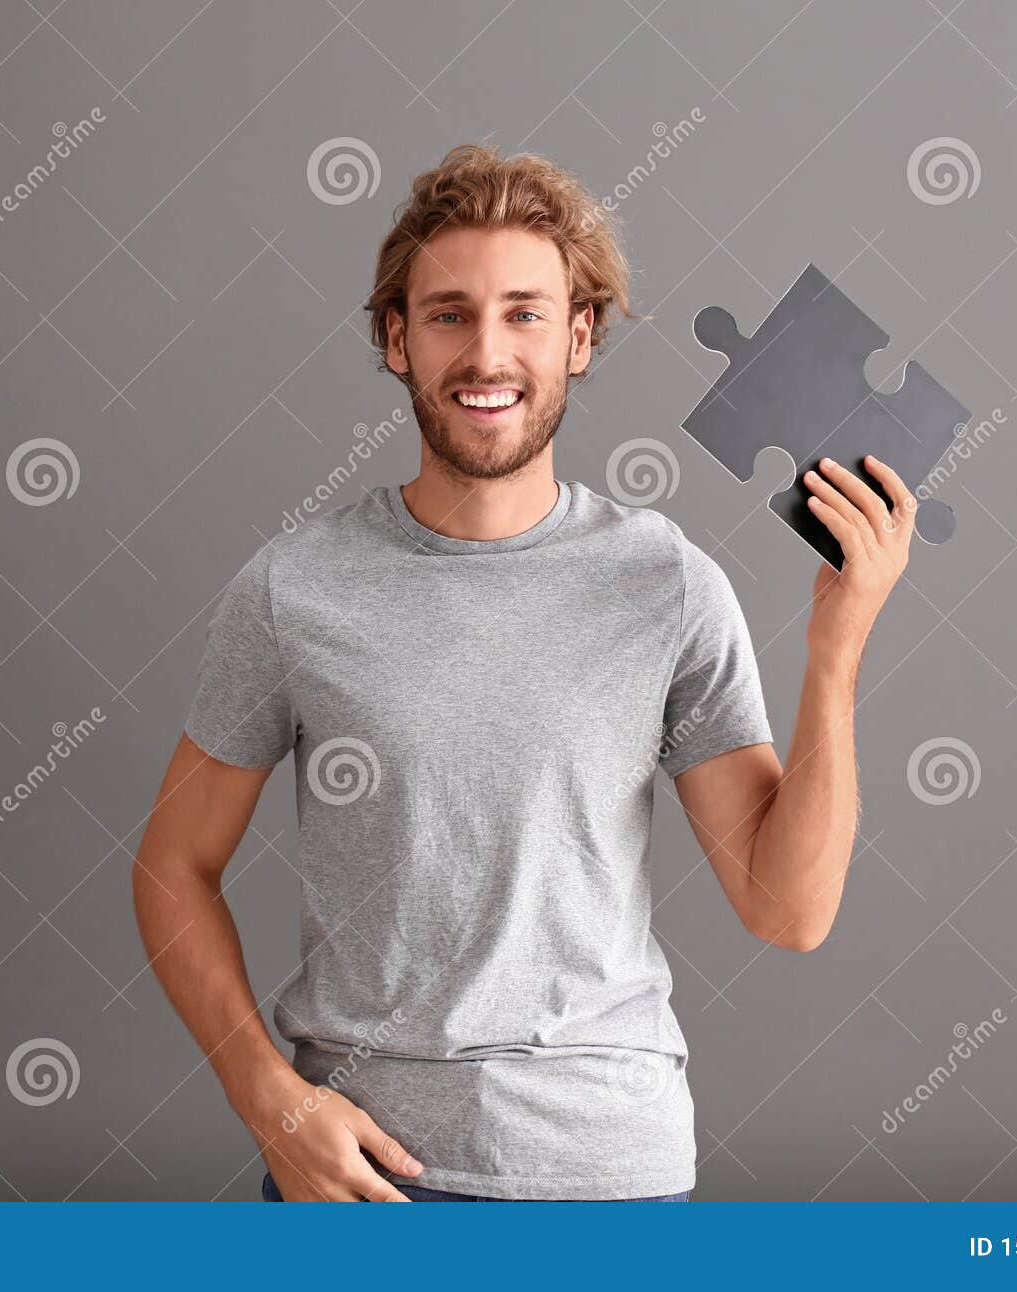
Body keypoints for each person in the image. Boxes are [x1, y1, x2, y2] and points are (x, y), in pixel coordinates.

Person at [131, 143, 919, 1201]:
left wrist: (836, 645)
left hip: (611, 1178)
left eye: (526, 312)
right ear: (397, 339)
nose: (486, 352)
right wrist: (269, 1099)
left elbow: (789, 909)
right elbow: (170, 866)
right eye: (449, 314)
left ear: (580, 336)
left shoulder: (668, 584)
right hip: (360, 1182)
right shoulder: (293, 588)